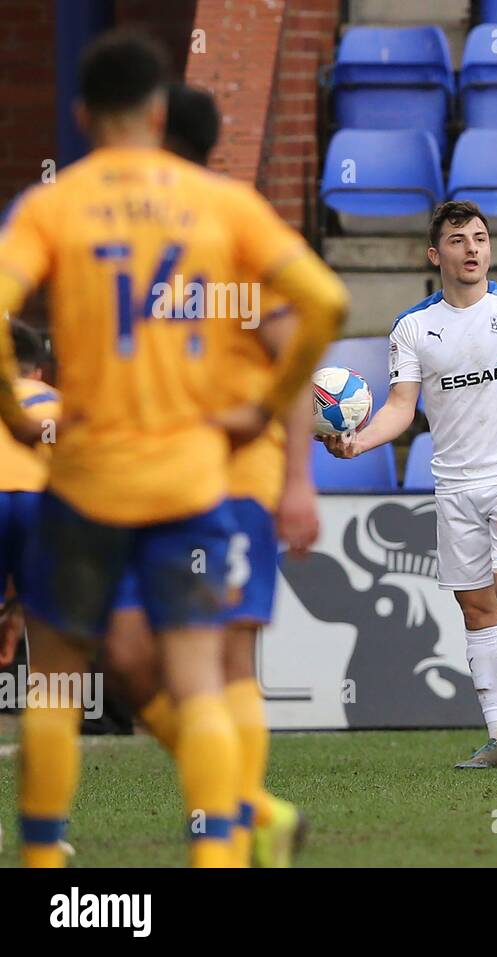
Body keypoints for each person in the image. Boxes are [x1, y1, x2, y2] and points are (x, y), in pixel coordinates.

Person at [0, 31, 347, 867]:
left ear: (82, 116)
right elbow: (326, 299)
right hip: (193, 482)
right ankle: (225, 850)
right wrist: (263, 405)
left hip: (86, 481)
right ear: (158, 113)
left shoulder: (54, 203)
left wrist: (13, 404)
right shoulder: (221, 210)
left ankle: (46, 868)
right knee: (201, 681)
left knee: (52, 681)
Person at [101, 82, 320, 866]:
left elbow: (296, 352)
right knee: (125, 653)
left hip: (233, 484)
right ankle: (253, 807)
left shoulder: (231, 226)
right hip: (145, 480)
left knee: (224, 661)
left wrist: (296, 477)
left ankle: (231, 840)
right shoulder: (119, 233)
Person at [323, 199, 497, 769]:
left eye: (480, 238)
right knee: (477, 610)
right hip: (453, 485)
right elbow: (403, 408)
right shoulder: (414, 328)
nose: (473, 250)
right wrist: (356, 441)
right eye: (458, 241)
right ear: (435, 254)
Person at [0, 321, 59, 670]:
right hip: (38, 503)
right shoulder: (54, 401)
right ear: (38, 371)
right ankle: (49, 700)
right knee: (44, 606)